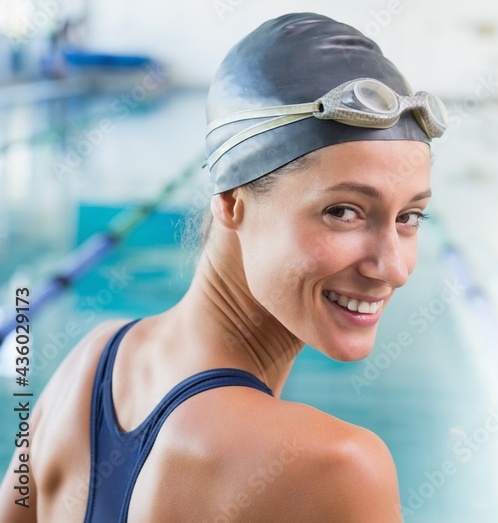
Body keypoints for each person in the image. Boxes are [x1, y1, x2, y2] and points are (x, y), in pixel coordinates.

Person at [0, 12, 448, 522]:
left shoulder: (86, 365)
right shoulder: (338, 468)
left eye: (410, 217)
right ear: (233, 200)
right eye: (343, 212)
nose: (392, 266)